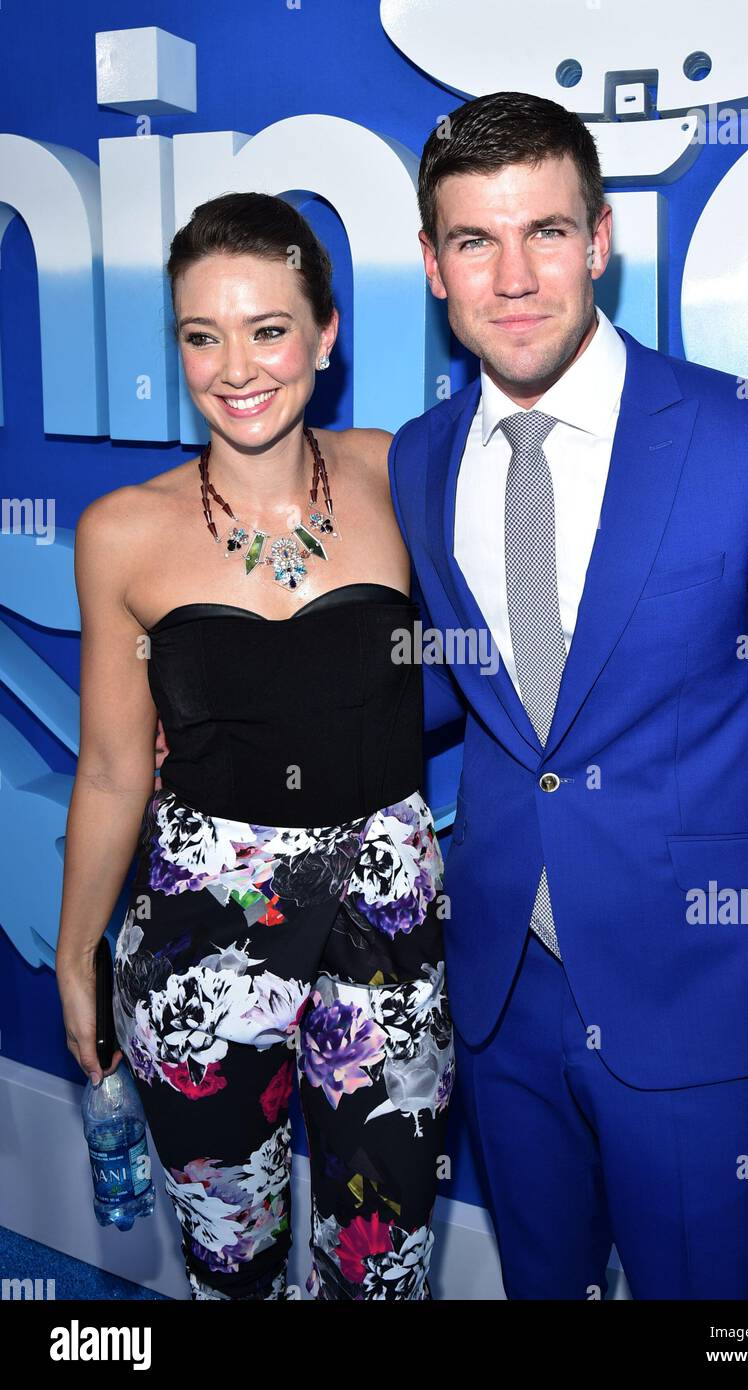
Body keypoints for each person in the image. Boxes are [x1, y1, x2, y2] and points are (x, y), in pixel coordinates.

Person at [388, 90, 748, 1299]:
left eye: (546, 233)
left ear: (601, 240)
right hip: (501, 993)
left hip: (702, 1000)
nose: (513, 276)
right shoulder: (420, 454)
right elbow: (470, 690)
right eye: (474, 241)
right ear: (432, 263)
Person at [55, 191, 454, 1301]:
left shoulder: (402, 474)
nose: (235, 366)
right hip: (198, 951)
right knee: (230, 1263)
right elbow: (112, 767)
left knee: (386, 1262)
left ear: (326, 336)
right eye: (201, 334)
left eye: (268, 328)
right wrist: (76, 960)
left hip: (390, 931)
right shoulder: (120, 531)